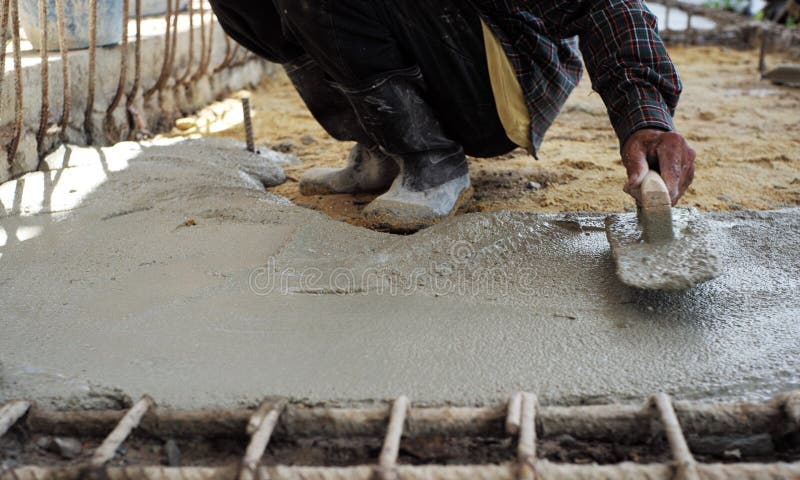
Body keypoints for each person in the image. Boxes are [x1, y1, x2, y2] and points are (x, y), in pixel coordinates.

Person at [208, 0, 696, 231]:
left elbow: (602, 5)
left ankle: (433, 162)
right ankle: (384, 146)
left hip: (503, 82)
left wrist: (645, 117)